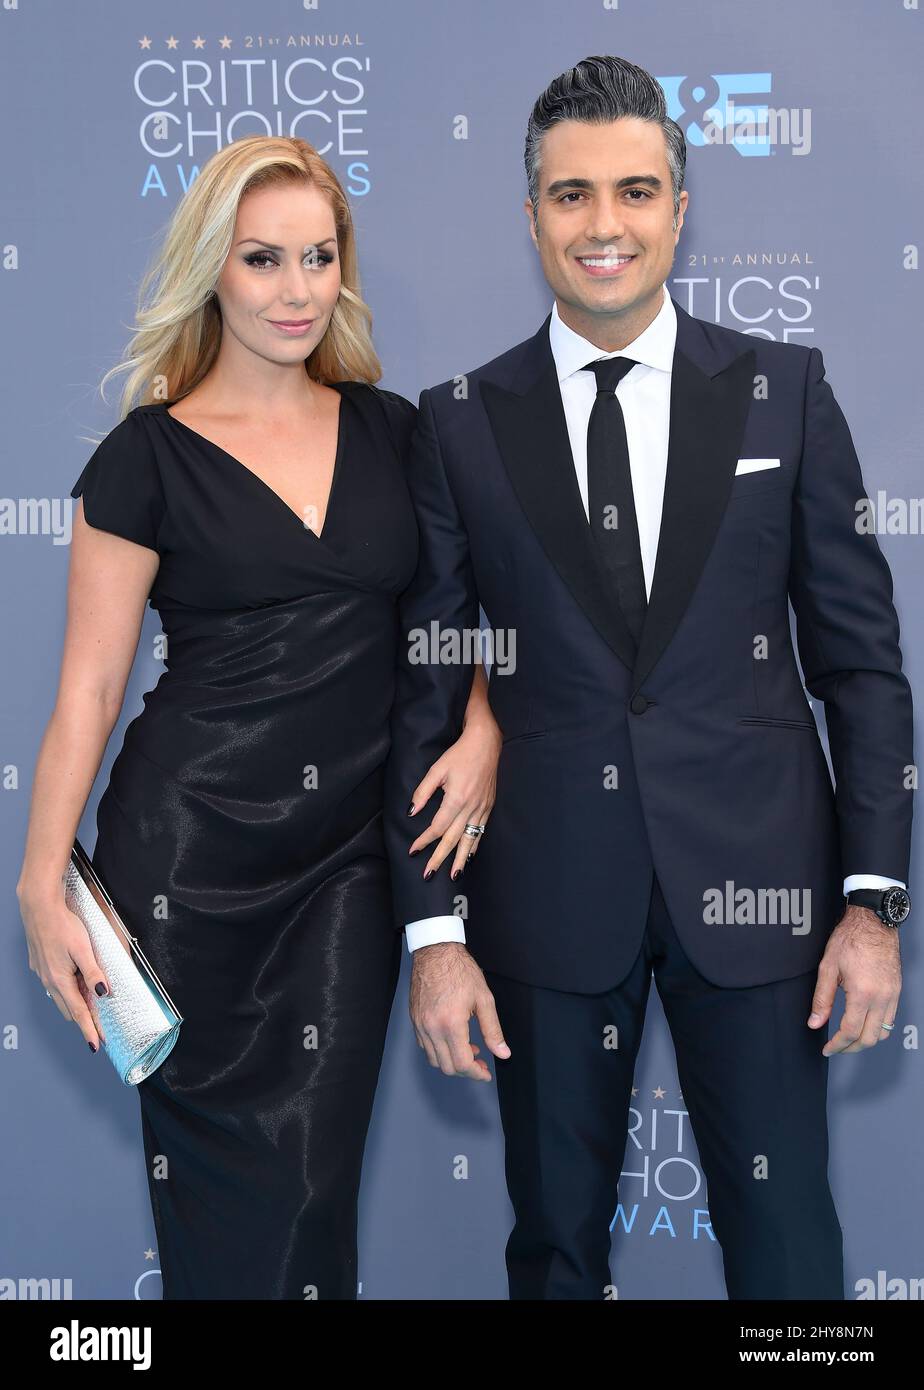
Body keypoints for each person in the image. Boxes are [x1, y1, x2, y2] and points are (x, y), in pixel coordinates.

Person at [385, 55, 913, 1299]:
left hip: (765, 895)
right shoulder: (458, 422)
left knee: (788, 1254)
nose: (603, 225)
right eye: (571, 196)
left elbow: (862, 661)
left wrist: (874, 902)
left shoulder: (786, 391)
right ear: (531, 219)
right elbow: (436, 675)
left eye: (634, 190)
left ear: (681, 206)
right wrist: (432, 931)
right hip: (548, 896)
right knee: (556, 1247)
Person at [16, 135, 502, 1300]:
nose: (295, 289)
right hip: (187, 864)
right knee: (225, 1226)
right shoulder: (141, 459)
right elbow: (88, 686)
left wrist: (483, 722)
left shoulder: (400, 432)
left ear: (345, 268)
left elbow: (449, 616)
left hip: (347, 858)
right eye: (263, 260)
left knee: (310, 1193)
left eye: (318, 258)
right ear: (212, 273)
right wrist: (41, 879)